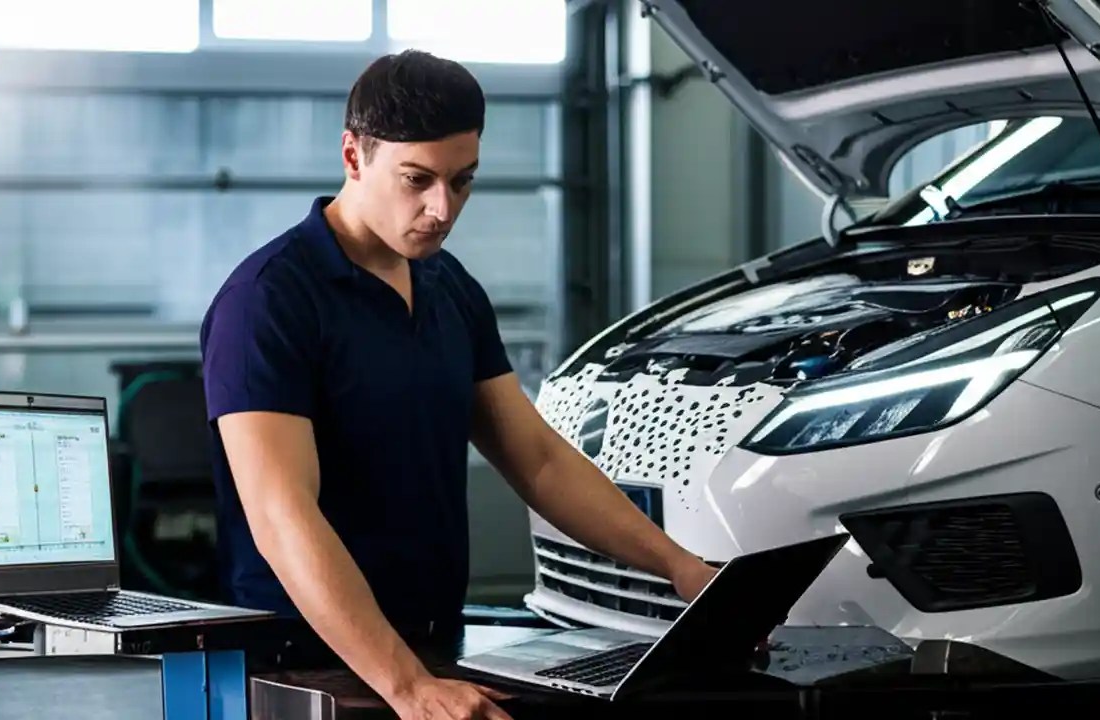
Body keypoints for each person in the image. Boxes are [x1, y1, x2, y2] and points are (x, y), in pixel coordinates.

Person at [199, 49, 717, 720]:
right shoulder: (268, 302)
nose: (442, 209)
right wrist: (406, 686)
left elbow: (539, 460)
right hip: (301, 663)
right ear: (354, 157)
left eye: (462, 181)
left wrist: (679, 567)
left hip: (432, 647)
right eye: (417, 179)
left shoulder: (449, 289)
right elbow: (281, 516)